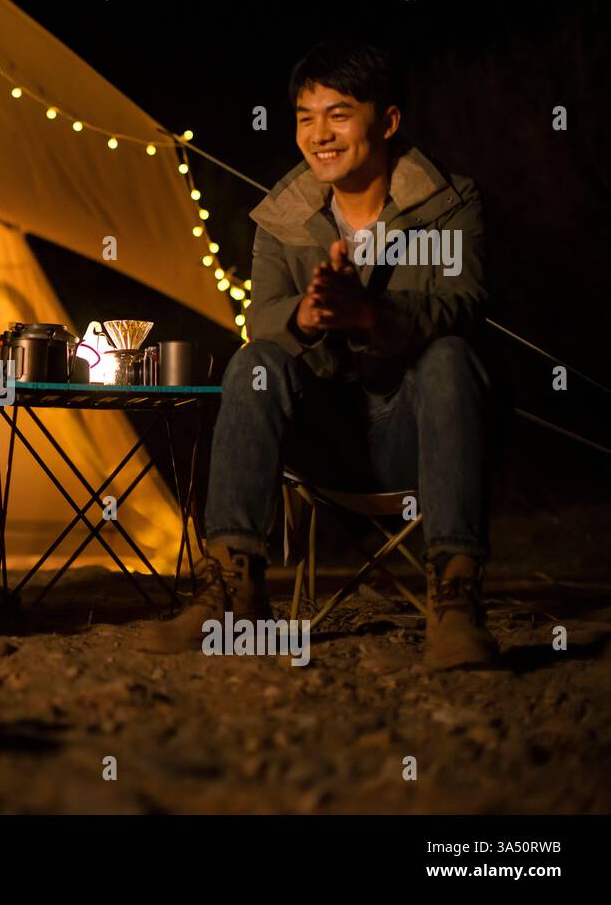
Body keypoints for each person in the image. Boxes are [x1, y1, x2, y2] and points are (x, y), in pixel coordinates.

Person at [142, 41, 501, 670]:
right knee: (256, 361)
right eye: (305, 118)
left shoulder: (447, 204)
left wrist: (368, 313)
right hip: (322, 438)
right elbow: (261, 316)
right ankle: (233, 587)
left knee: (449, 355)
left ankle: (455, 601)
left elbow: (463, 304)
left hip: (416, 435)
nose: (319, 135)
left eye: (339, 115)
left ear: (387, 122)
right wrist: (305, 316)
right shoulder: (285, 217)